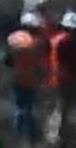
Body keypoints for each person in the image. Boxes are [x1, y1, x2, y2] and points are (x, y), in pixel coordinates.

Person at [4, 11, 50, 141]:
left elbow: (7, 59)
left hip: (16, 75)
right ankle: (28, 132)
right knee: (28, 106)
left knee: (18, 105)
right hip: (32, 77)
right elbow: (43, 58)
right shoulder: (38, 42)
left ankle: (18, 131)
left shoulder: (13, 38)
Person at [46, 11, 76, 148]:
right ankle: (56, 137)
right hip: (65, 78)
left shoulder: (55, 39)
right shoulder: (68, 41)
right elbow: (72, 62)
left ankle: (53, 134)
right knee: (62, 109)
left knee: (57, 108)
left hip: (54, 76)